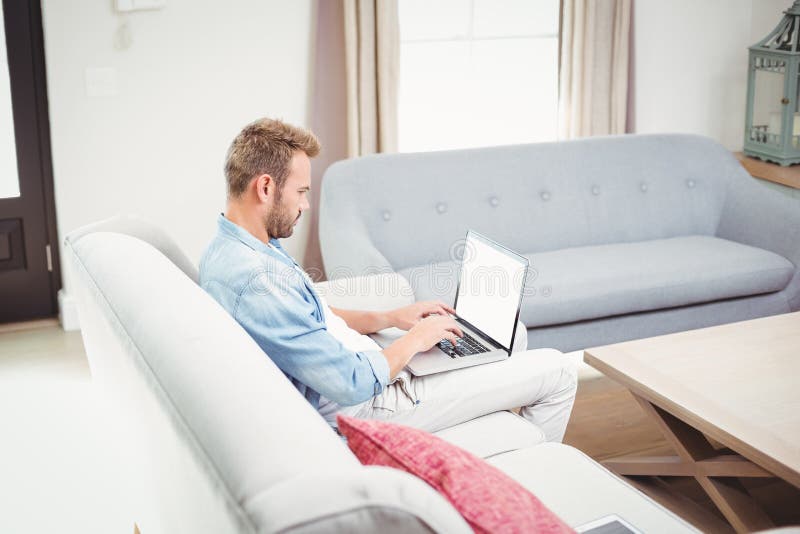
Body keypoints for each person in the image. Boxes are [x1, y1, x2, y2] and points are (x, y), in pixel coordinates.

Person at [200, 118, 577, 441]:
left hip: (370, 364)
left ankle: (496, 429)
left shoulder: (237, 248)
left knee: (511, 336)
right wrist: (414, 341)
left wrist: (391, 318)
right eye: (300, 192)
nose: (306, 205)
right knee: (559, 372)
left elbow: (315, 314)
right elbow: (351, 382)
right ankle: (526, 477)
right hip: (374, 402)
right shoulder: (257, 282)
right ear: (265, 188)